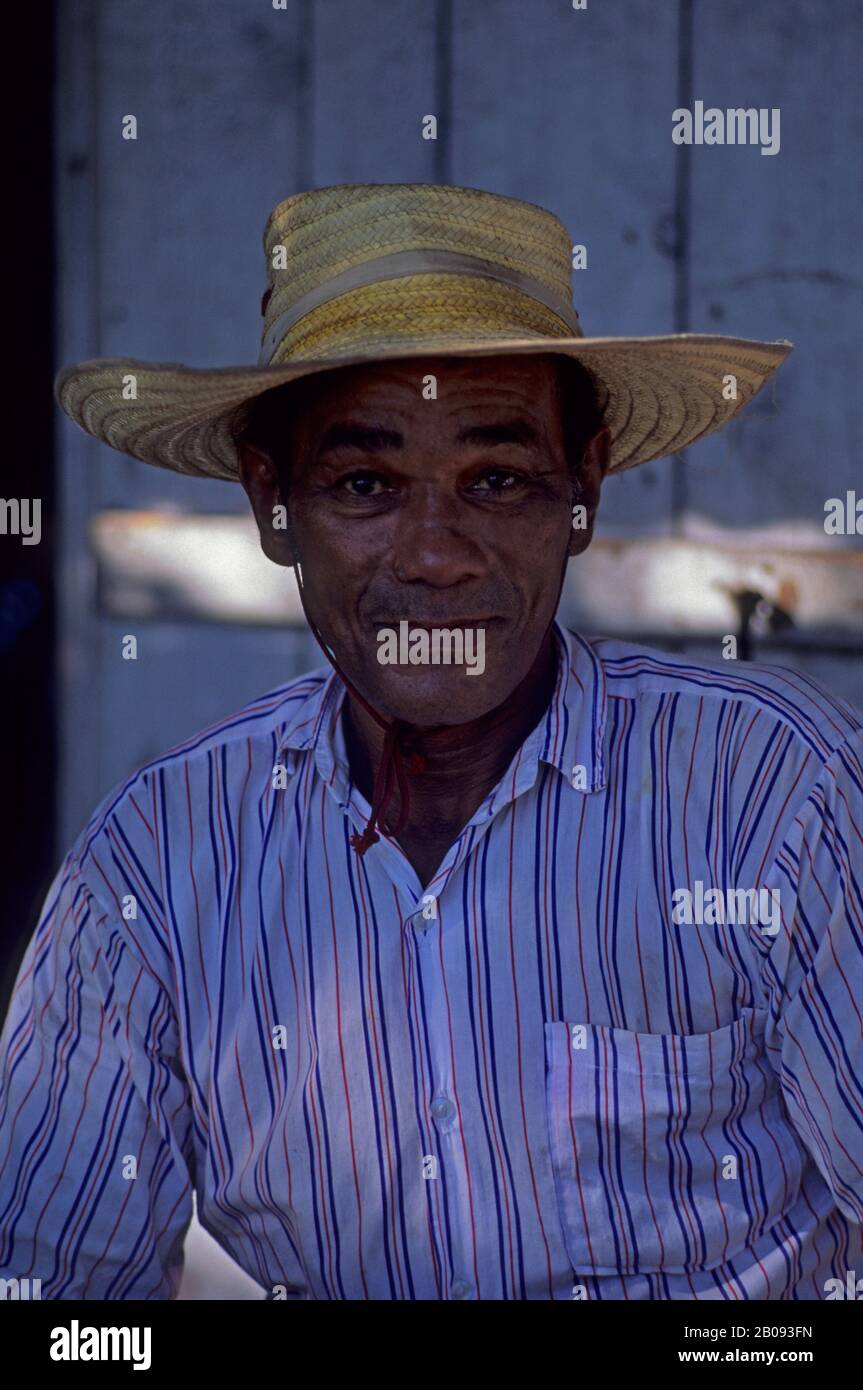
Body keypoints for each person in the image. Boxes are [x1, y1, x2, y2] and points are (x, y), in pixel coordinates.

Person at [1, 183, 860, 1300]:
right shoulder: (154, 870)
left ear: (582, 491)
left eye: (495, 479)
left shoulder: (775, 798)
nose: (434, 554)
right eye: (364, 483)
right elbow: (57, 1304)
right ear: (274, 503)